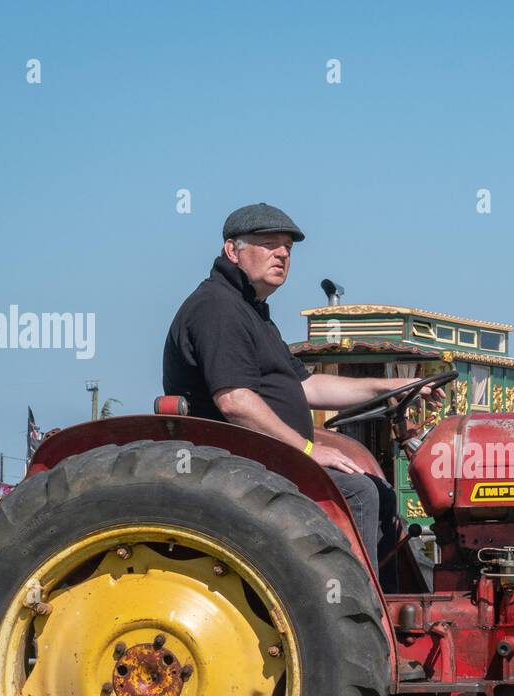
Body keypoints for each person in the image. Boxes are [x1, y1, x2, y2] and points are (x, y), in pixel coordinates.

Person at [163, 203, 442, 572]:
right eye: (269, 244)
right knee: (357, 493)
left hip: (264, 456)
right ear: (232, 250)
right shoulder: (217, 308)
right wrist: (306, 450)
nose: (282, 254)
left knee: (381, 491)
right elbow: (234, 401)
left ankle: (391, 603)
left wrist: (397, 386)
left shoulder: (252, 311)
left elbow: (307, 386)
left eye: (288, 249)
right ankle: (364, 616)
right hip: (237, 462)